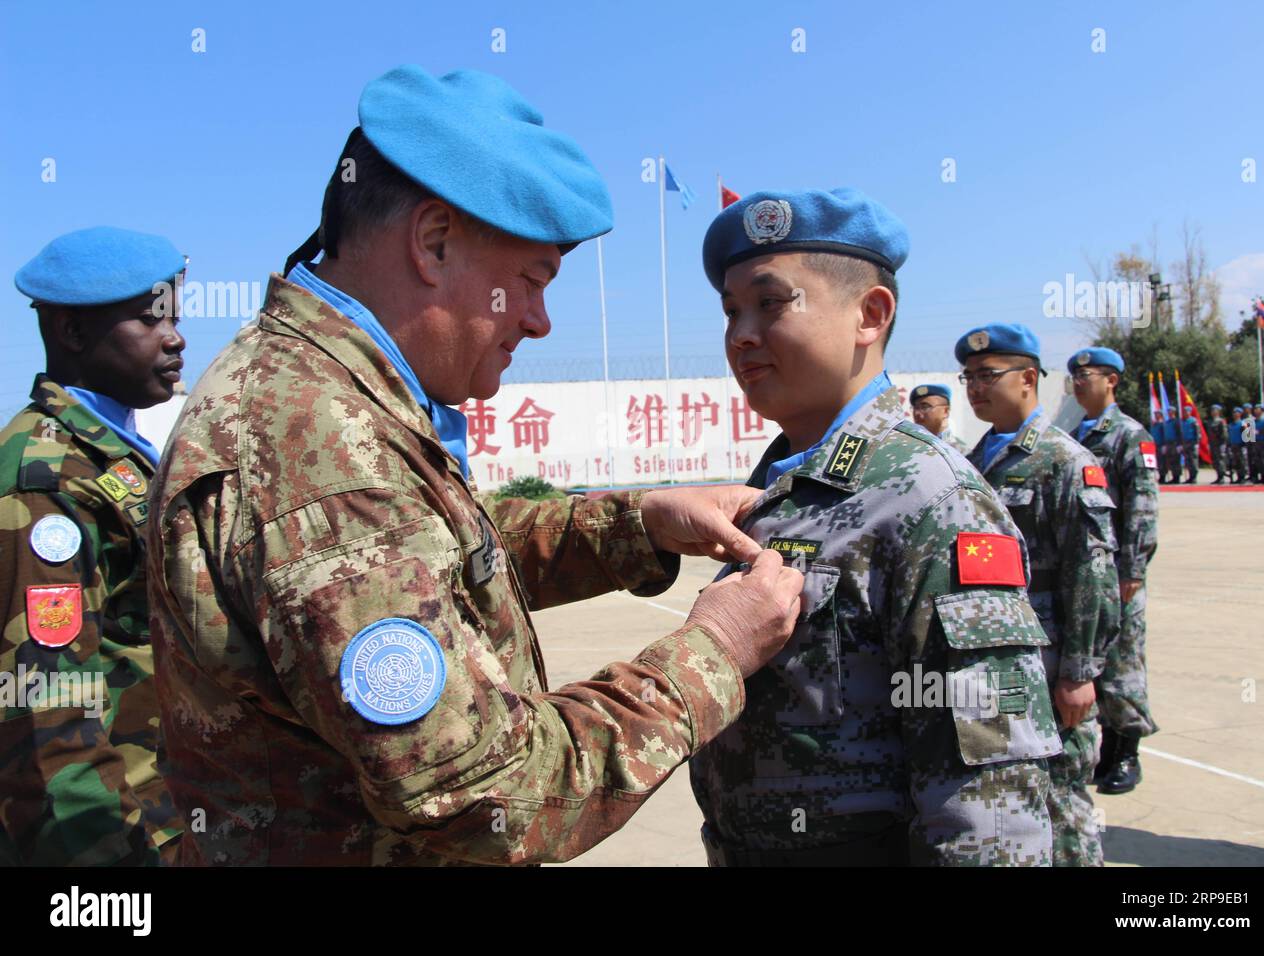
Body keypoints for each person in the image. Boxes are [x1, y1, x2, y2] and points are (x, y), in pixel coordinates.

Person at [146, 65, 804, 866]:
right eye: (530, 282)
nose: (539, 320)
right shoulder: (319, 453)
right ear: (433, 243)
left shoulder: (321, 398)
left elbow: (439, 554)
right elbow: (487, 796)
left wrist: (638, 524)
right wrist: (714, 652)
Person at [687, 189, 1059, 867]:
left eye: (771, 303)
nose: (741, 334)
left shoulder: (932, 498)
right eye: (731, 310)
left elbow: (991, 799)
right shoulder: (783, 486)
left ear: (870, 314)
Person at [0, 226, 186, 865]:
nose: (175, 338)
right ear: (73, 332)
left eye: (174, 318)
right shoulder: (45, 480)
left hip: (170, 810)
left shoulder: (114, 451)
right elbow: (44, 711)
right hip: (123, 831)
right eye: (149, 320)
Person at [957, 324, 1121, 867]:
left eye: (988, 375)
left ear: (1028, 378)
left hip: (1049, 667)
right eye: (968, 377)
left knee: (1061, 801)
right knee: (1007, 800)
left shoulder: (1064, 461)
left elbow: (1091, 573)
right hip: (994, 661)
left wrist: (1079, 671)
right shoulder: (973, 461)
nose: (975, 387)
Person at [1067, 349, 1158, 795]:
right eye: (1074, 377)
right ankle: (1103, 750)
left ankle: (1126, 752)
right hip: (1084, 574)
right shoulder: (1072, 436)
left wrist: (1132, 570)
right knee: (1090, 660)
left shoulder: (1129, 435)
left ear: (1112, 380)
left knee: (1122, 663)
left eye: (1086, 375)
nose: (1079, 383)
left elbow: (1143, 507)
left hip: (1118, 572)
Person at [908, 383, 968, 453]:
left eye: (925, 407)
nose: (917, 413)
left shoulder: (960, 452)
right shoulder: (911, 450)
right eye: (915, 408)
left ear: (945, 411)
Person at [1206, 404, 1228, 484]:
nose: (1213, 412)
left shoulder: (1221, 421)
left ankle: (1222, 477)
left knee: (1220, 461)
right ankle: (1218, 476)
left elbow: (1224, 434)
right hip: (1213, 444)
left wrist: (1223, 444)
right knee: (1215, 460)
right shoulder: (1210, 422)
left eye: (1215, 410)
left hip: (1220, 443)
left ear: (1218, 412)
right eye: (1212, 411)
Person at [1179, 404, 1200, 484]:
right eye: (1184, 412)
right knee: (1187, 461)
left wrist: (1197, 443)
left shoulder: (1193, 421)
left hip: (1192, 442)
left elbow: (1197, 433)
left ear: (1190, 412)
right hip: (1185, 442)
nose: (1185, 413)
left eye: (1187, 411)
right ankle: (1190, 477)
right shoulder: (1183, 421)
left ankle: (1194, 477)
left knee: (1193, 460)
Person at [1153, 411, 1175, 484]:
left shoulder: (1163, 424)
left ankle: (1163, 476)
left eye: (1157, 414)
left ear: (1161, 415)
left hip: (1161, 445)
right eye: (1155, 414)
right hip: (1155, 445)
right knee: (1158, 462)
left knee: (1162, 461)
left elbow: (1165, 434)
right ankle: (1160, 476)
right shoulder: (1154, 424)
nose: (1156, 415)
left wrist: (1165, 445)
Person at [1228, 408, 1247, 484]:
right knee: (1236, 462)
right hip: (1233, 445)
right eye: (1234, 413)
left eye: (1237, 412)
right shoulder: (1231, 424)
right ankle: (1239, 477)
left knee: (1242, 462)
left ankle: (1243, 477)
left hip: (1241, 445)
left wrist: (1244, 444)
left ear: (1240, 414)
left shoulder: (1243, 423)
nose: (1235, 414)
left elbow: (1246, 435)